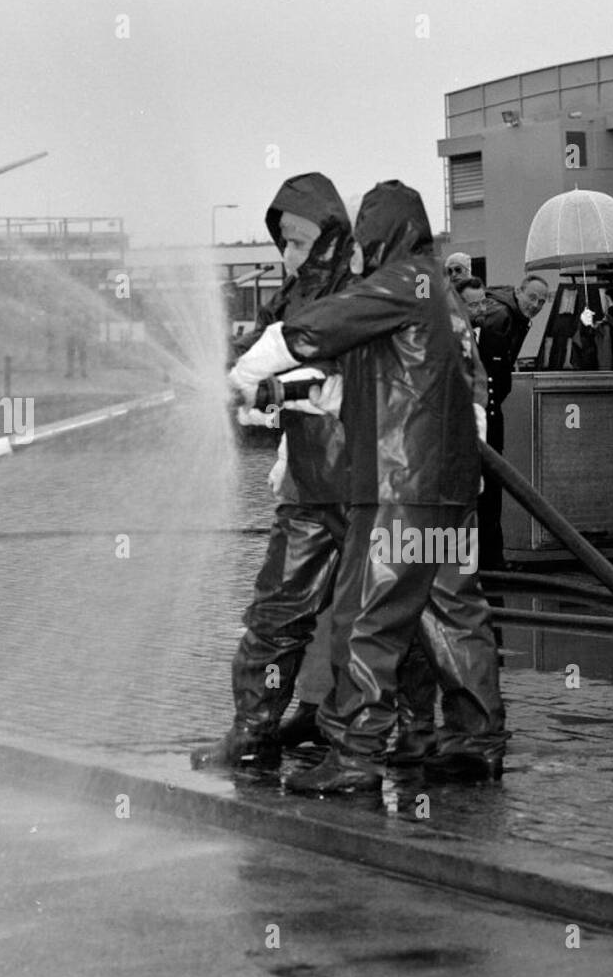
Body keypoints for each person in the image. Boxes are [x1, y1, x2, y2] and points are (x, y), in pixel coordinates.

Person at [231, 181, 507, 796]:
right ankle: (475, 742)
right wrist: (285, 395)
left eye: (362, 240)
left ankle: (355, 756)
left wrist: (251, 367)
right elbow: (365, 382)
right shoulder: (436, 295)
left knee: (367, 619)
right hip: (445, 492)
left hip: (398, 486)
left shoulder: (404, 281)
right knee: (452, 614)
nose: (354, 254)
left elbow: (315, 331)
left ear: (384, 235)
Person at [190, 172, 358, 771]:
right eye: (283, 241)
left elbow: (332, 373)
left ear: (330, 239)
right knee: (277, 611)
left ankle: (370, 739)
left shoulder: (360, 297)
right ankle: (254, 731)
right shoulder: (290, 298)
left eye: (299, 241)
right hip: (310, 485)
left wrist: (264, 388)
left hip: (368, 486)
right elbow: (259, 352)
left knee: (376, 620)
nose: (287, 254)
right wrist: (221, 378)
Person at [474, 273, 549, 568]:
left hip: (484, 406)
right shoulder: (503, 316)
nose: (536, 305)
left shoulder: (508, 313)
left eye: (541, 301)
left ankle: (488, 556)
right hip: (485, 409)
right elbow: (492, 368)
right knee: (489, 486)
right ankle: (490, 558)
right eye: (532, 298)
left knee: (489, 486)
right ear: (519, 291)